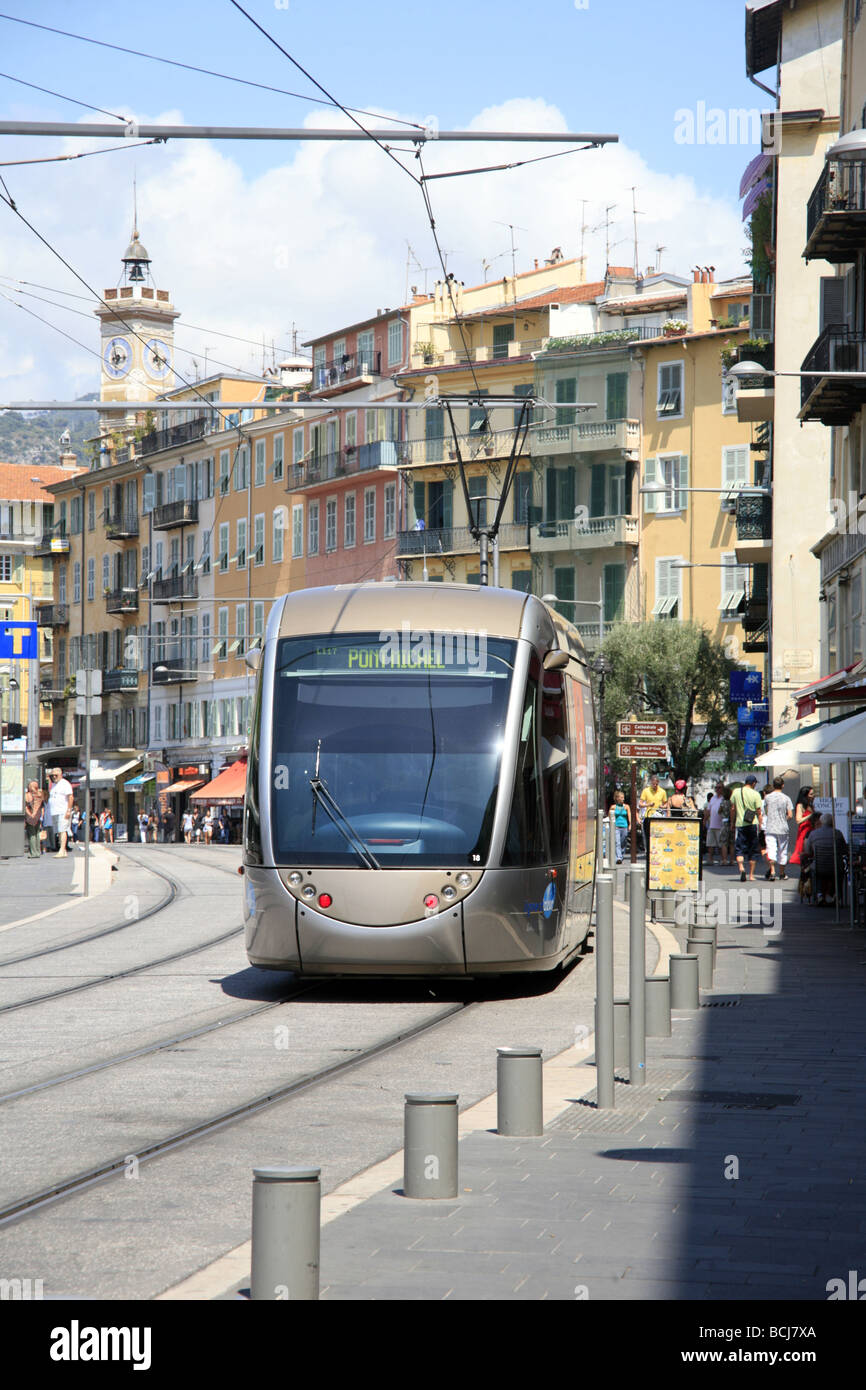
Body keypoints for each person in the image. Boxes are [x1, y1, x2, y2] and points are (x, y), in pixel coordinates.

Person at [802, 814, 848, 904]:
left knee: (816, 870)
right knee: (838, 871)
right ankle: (836, 894)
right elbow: (844, 850)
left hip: (819, 866)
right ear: (832, 822)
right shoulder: (838, 833)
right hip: (835, 867)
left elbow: (807, 850)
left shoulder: (813, 833)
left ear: (821, 822)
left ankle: (819, 894)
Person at [731, 773, 763, 882]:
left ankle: (741, 868)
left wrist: (732, 822)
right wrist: (760, 823)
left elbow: (733, 809)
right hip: (752, 824)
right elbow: (759, 811)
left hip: (740, 824)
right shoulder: (756, 794)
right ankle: (751, 875)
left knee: (739, 848)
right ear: (753, 783)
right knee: (752, 850)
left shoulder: (736, 792)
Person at [762, 776, 794, 881]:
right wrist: (783, 819)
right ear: (783, 785)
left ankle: (772, 871)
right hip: (783, 827)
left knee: (771, 849)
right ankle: (782, 873)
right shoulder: (786, 798)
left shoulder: (767, 798)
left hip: (770, 827)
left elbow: (766, 811)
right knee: (783, 850)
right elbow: (790, 815)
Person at [47, 767, 74, 857]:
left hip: (63, 811)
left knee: (62, 830)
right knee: (59, 831)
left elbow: (70, 797)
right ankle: (63, 850)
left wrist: (69, 810)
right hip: (55, 811)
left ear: (61, 774)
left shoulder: (65, 784)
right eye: (52, 775)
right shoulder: (54, 785)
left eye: (56, 775)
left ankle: (62, 849)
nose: (54, 777)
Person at [790, 787, 817, 869]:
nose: (813, 796)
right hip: (804, 831)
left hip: (812, 829)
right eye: (811, 794)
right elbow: (798, 820)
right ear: (805, 795)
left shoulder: (811, 805)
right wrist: (810, 816)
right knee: (803, 849)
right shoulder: (800, 805)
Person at [705, 782, 728, 866]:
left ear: (722, 789)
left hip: (721, 825)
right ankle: (710, 859)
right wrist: (705, 820)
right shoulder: (713, 798)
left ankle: (724, 859)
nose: (717, 789)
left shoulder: (724, 799)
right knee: (710, 843)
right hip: (712, 824)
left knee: (721, 844)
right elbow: (708, 810)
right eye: (716, 788)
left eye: (719, 788)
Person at [24, 780, 45, 860]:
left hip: (30, 818)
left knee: (32, 835)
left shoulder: (28, 795)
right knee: (37, 834)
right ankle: (38, 851)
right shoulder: (40, 794)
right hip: (38, 817)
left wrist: (30, 815)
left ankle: (33, 852)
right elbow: (41, 807)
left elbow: (26, 807)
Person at [610, 790, 630, 864]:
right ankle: (619, 857)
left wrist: (630, 824)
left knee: (623, 842)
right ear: (617, 798)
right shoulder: (613, 807)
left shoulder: (626, 807)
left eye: (623, 797)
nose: (623, 799)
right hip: (616, 827)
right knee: (617, 842)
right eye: (621, 797)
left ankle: (621, 854)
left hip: (624, 826)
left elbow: (629, 816)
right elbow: (610, 817)